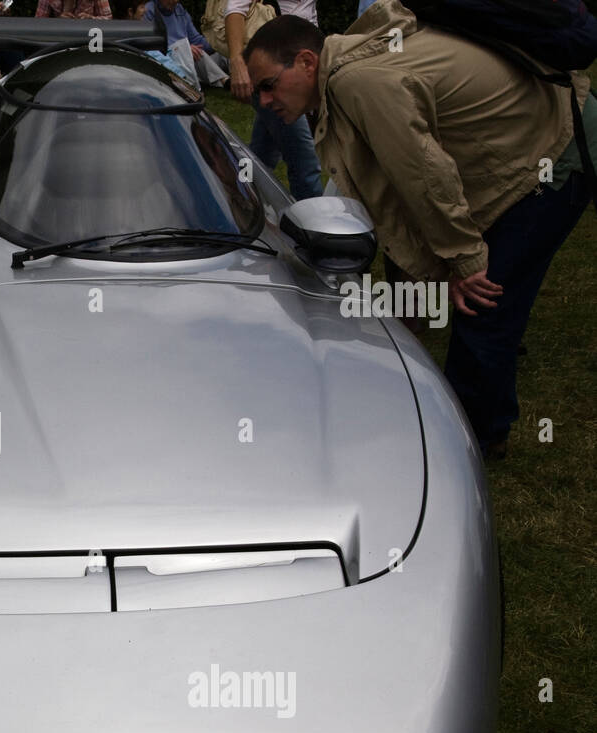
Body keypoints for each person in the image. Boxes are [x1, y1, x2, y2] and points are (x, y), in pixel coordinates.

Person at [243, 3, 593, 458]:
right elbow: (386, 191)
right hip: (536, 140)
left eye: (269, 85)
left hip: (556, 147)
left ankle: (472, 442)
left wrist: (463, 259)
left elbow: (425, 175)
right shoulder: (345, 75)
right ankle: (483, 421)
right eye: (258, 93)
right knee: (481, 297)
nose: (264, 101)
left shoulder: (356, 81)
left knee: (483, 303)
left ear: (308, 63)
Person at [226, 0, 323, 199]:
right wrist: (237, 62)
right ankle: (313, 224)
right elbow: (234, 9)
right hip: (273, 72)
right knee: (304, 161)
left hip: (294, 68)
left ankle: (243, 201)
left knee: (263, 154)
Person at [35, 0, 113, 16]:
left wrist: (91, 20)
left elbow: (108, 19)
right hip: (58, 43)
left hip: (88, 39)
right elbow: (38, 24)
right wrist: (58, 22)